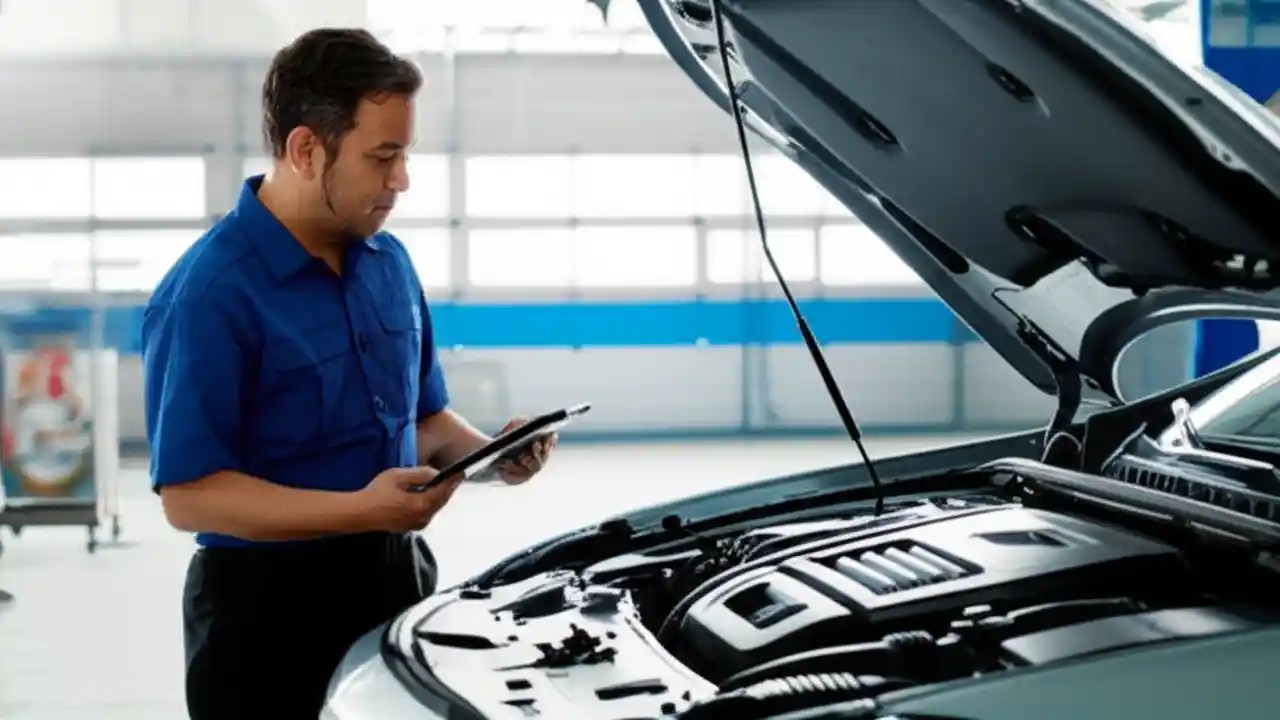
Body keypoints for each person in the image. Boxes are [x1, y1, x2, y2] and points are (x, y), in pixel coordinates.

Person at [140, 28, 557, 719]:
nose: (402, 180)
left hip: (396, 589)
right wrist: (364, 510)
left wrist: (491, 456)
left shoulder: (389, 264)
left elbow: (424, 421)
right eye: (382, 157)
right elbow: (191, 497)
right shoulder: (209, 294)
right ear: (307, 150)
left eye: (405, 155)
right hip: (265, 619)